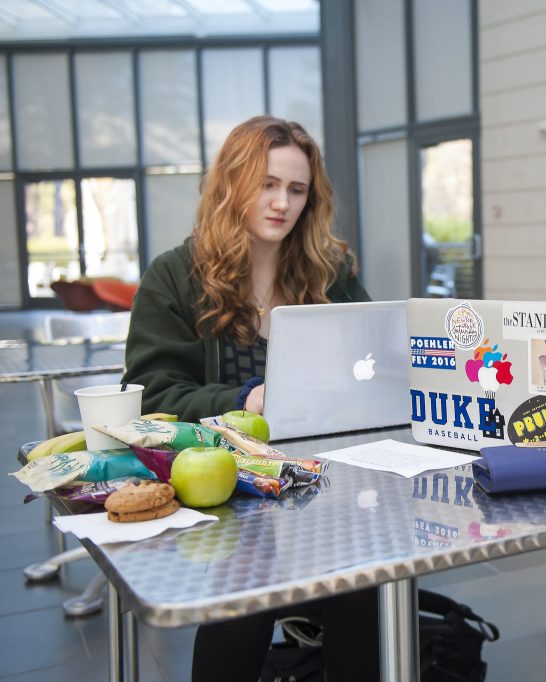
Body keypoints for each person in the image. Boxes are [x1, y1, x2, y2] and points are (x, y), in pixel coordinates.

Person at [123, 115, 378, 681]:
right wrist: (248, 399)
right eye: (266, 184)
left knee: (362, 593)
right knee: (242, 608)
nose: (281, 202)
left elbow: (375, 359)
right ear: (232, 184)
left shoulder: (330, 273)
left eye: (296, 189)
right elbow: (151, 395)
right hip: (230, 485)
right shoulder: (175, 277)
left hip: (329, 478)